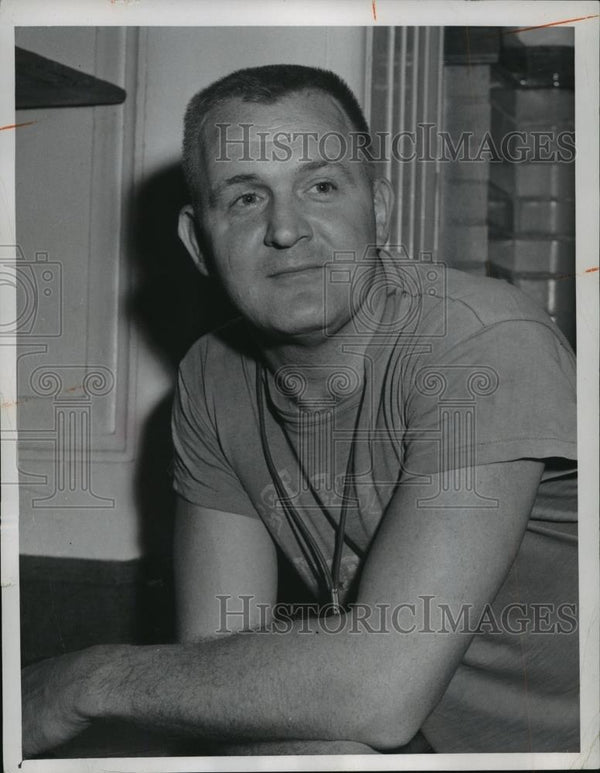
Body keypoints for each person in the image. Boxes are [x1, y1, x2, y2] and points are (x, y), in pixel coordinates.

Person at [22, 64, 578, 757]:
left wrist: (78, 681)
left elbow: (378, 689)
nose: (286, 229)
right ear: (199, 242)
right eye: (246, 198)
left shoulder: (482, 339)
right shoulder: (210, 376)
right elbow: (221, 673)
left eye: (320, 187)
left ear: (379, 209)